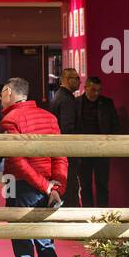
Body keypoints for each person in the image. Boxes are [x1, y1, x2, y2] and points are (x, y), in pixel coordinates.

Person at [0, 77, 66, 257]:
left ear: (9, 91)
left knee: (22, 242)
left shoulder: (10, 120)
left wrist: (45, 186)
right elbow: (61, 156)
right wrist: (55, 187)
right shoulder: (50, 117)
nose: (0, 97)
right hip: (47, 187)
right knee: (46, 242)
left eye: (2, 93)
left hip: (21, 186)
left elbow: (17, 162)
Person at [75, 75, 120, 207]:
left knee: (102, 184)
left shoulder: (107, 103)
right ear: (86, 88)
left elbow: (115, 125)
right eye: (94, 89)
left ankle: (103, 214)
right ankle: (88, 214)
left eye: (99, 90)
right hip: (83, 151)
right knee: (85, 185)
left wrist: (108, 142)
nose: (96, 93)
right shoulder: (76, 103)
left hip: (102, 150)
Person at [49, 66, 81, 205]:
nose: (80, 81)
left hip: (60, 151)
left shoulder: (58, 96)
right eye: (77, 78)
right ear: (67, 80)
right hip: (67, 152)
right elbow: (67, 129)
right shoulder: (67, 100)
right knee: (70, 188)